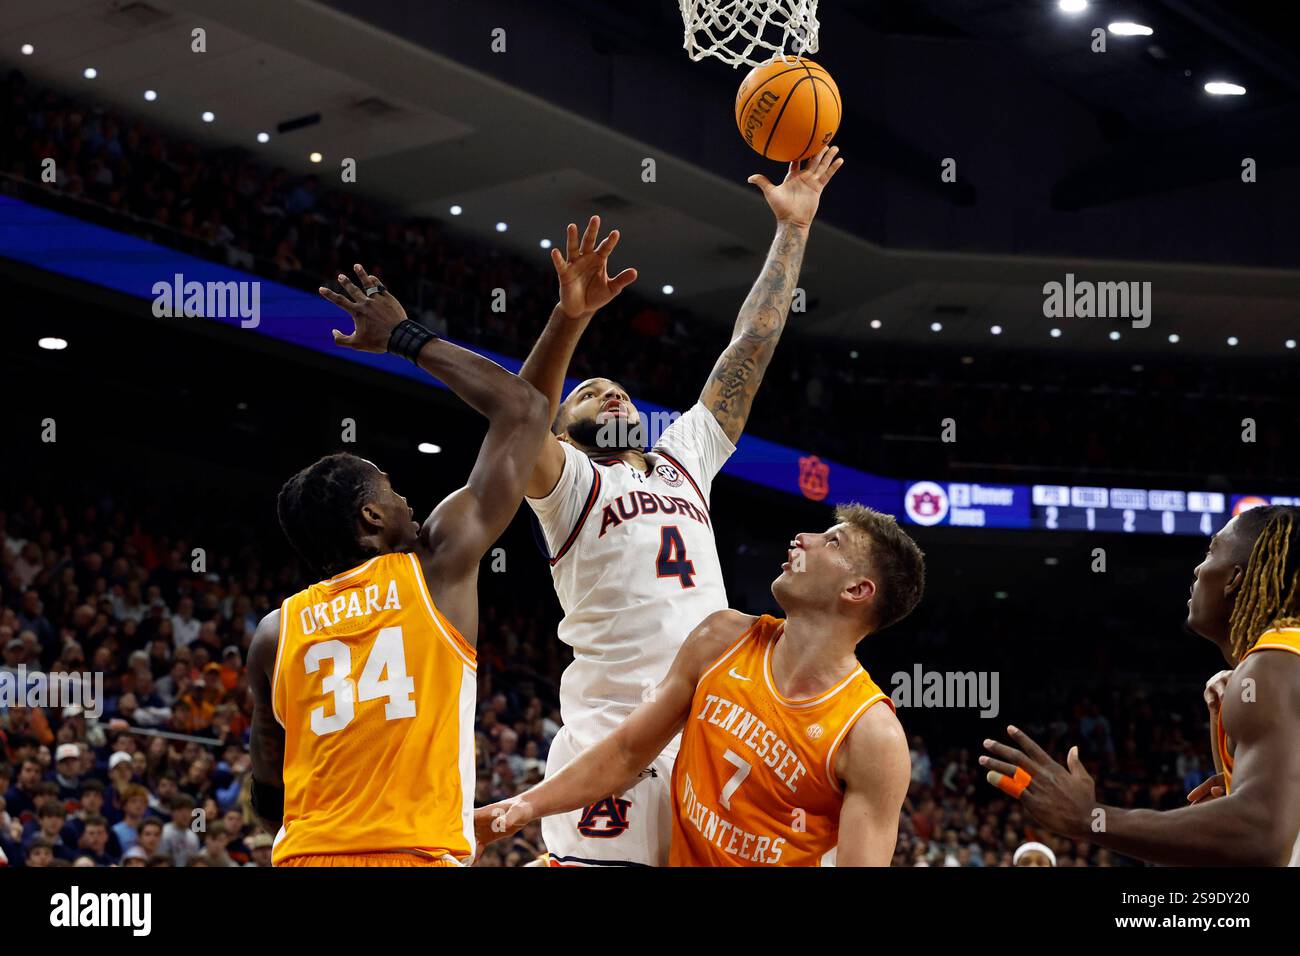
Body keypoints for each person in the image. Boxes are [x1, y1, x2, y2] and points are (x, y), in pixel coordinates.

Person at [518, 146, 844, 866]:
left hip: (713, 738)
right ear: (568, 429)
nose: (609, 392)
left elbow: (750, 346)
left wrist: (793, 229)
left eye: (616, 387)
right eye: (586, 392)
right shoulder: (569, 484)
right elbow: (519, 419)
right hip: (614, 738)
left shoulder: (682, 461)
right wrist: (568, 319)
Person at [245, 262, 552, 866]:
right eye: (390, 489)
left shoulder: (275, 632)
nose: (406, 499)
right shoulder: (434, 569)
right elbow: (524, 410)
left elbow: (267, 795)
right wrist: (405, 337)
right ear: (371, 519)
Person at [478, 504, 922, 866]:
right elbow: (627, 753)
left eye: (832, 541)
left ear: (857, 590)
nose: (803, 539)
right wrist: (522, 807)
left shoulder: (871, 735)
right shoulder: (721, 638)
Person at [982, 505, 1300, 866]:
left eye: (1212, 551)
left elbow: (1261, 836)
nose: (1198, 568)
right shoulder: (1280, 663)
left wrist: (1090, 818)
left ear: (1234, 579)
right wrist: (1231, 796)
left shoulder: (1274, 663)